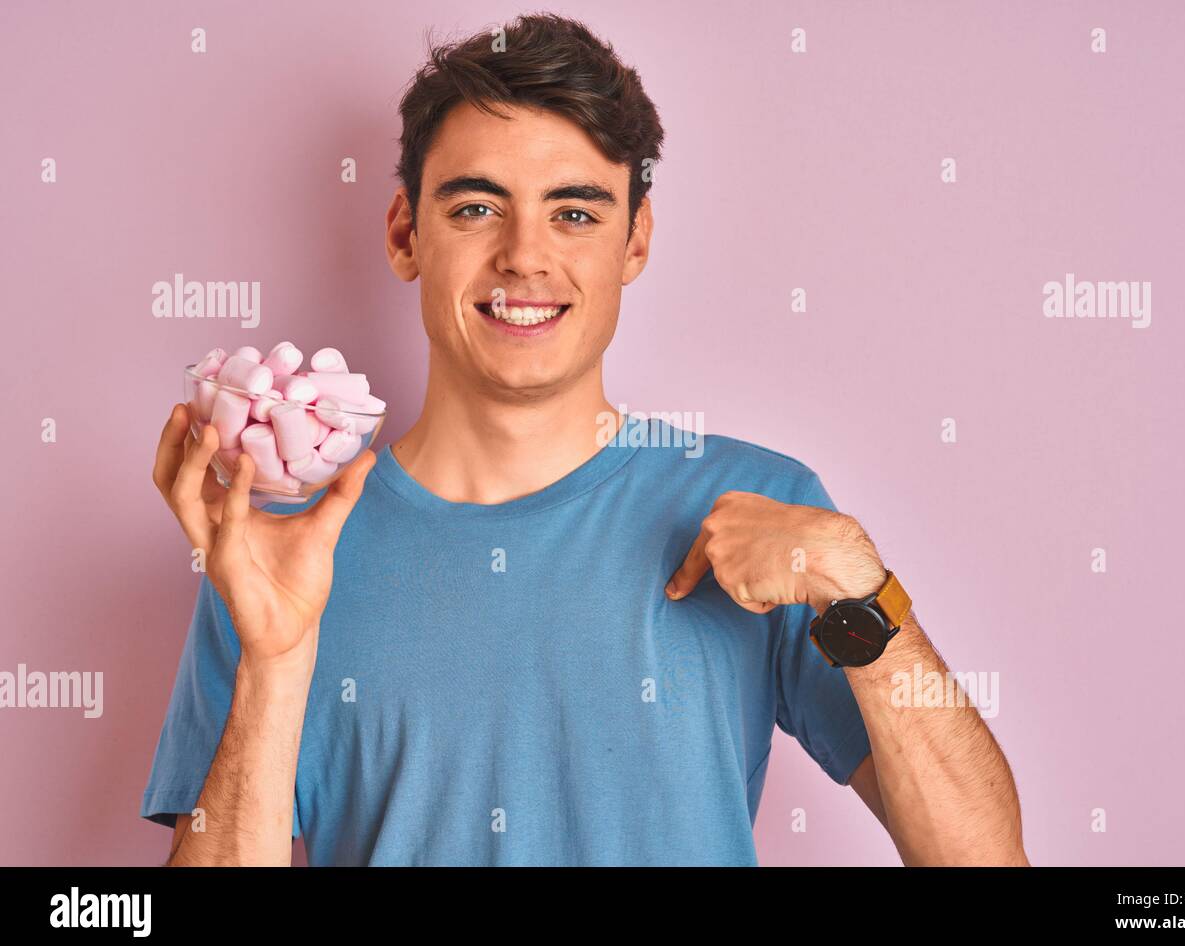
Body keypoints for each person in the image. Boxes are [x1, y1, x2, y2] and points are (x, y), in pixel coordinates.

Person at [144, 12, 1028, 866]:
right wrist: (276, 658)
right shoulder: (281, 545)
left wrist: (857, 583)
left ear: (635, 240)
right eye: (476, 208)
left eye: (575, 213)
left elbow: (985, 860)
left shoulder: (763, 507)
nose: (526, 256)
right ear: (405, 232)